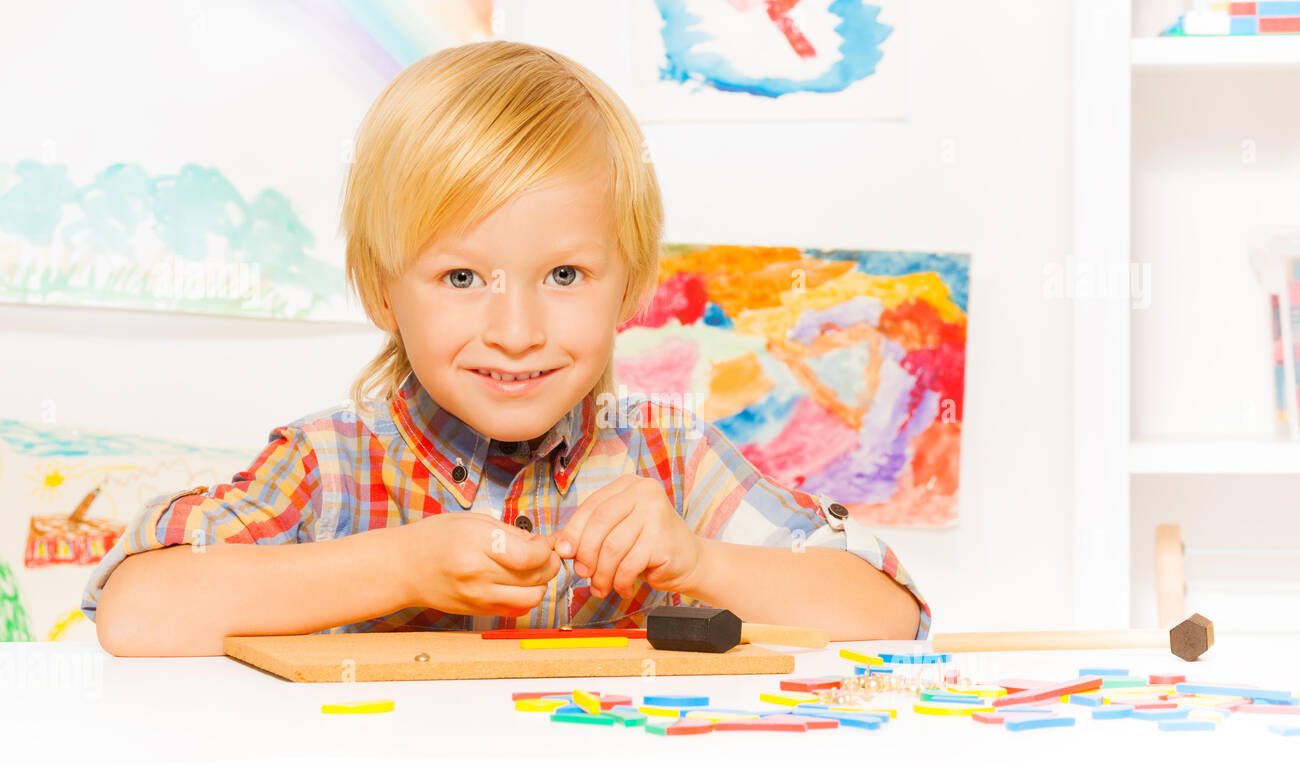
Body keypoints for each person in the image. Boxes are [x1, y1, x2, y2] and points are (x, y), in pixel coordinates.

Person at [84, 41, 929, 656]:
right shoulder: (330, 463)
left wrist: (699, 558)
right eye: (460, 278)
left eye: (564, 274)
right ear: (385, 291)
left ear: (630, 288)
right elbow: (135, 612)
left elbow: (890, 616)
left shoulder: (668, 459)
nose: (517, 330)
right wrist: (398, 567)